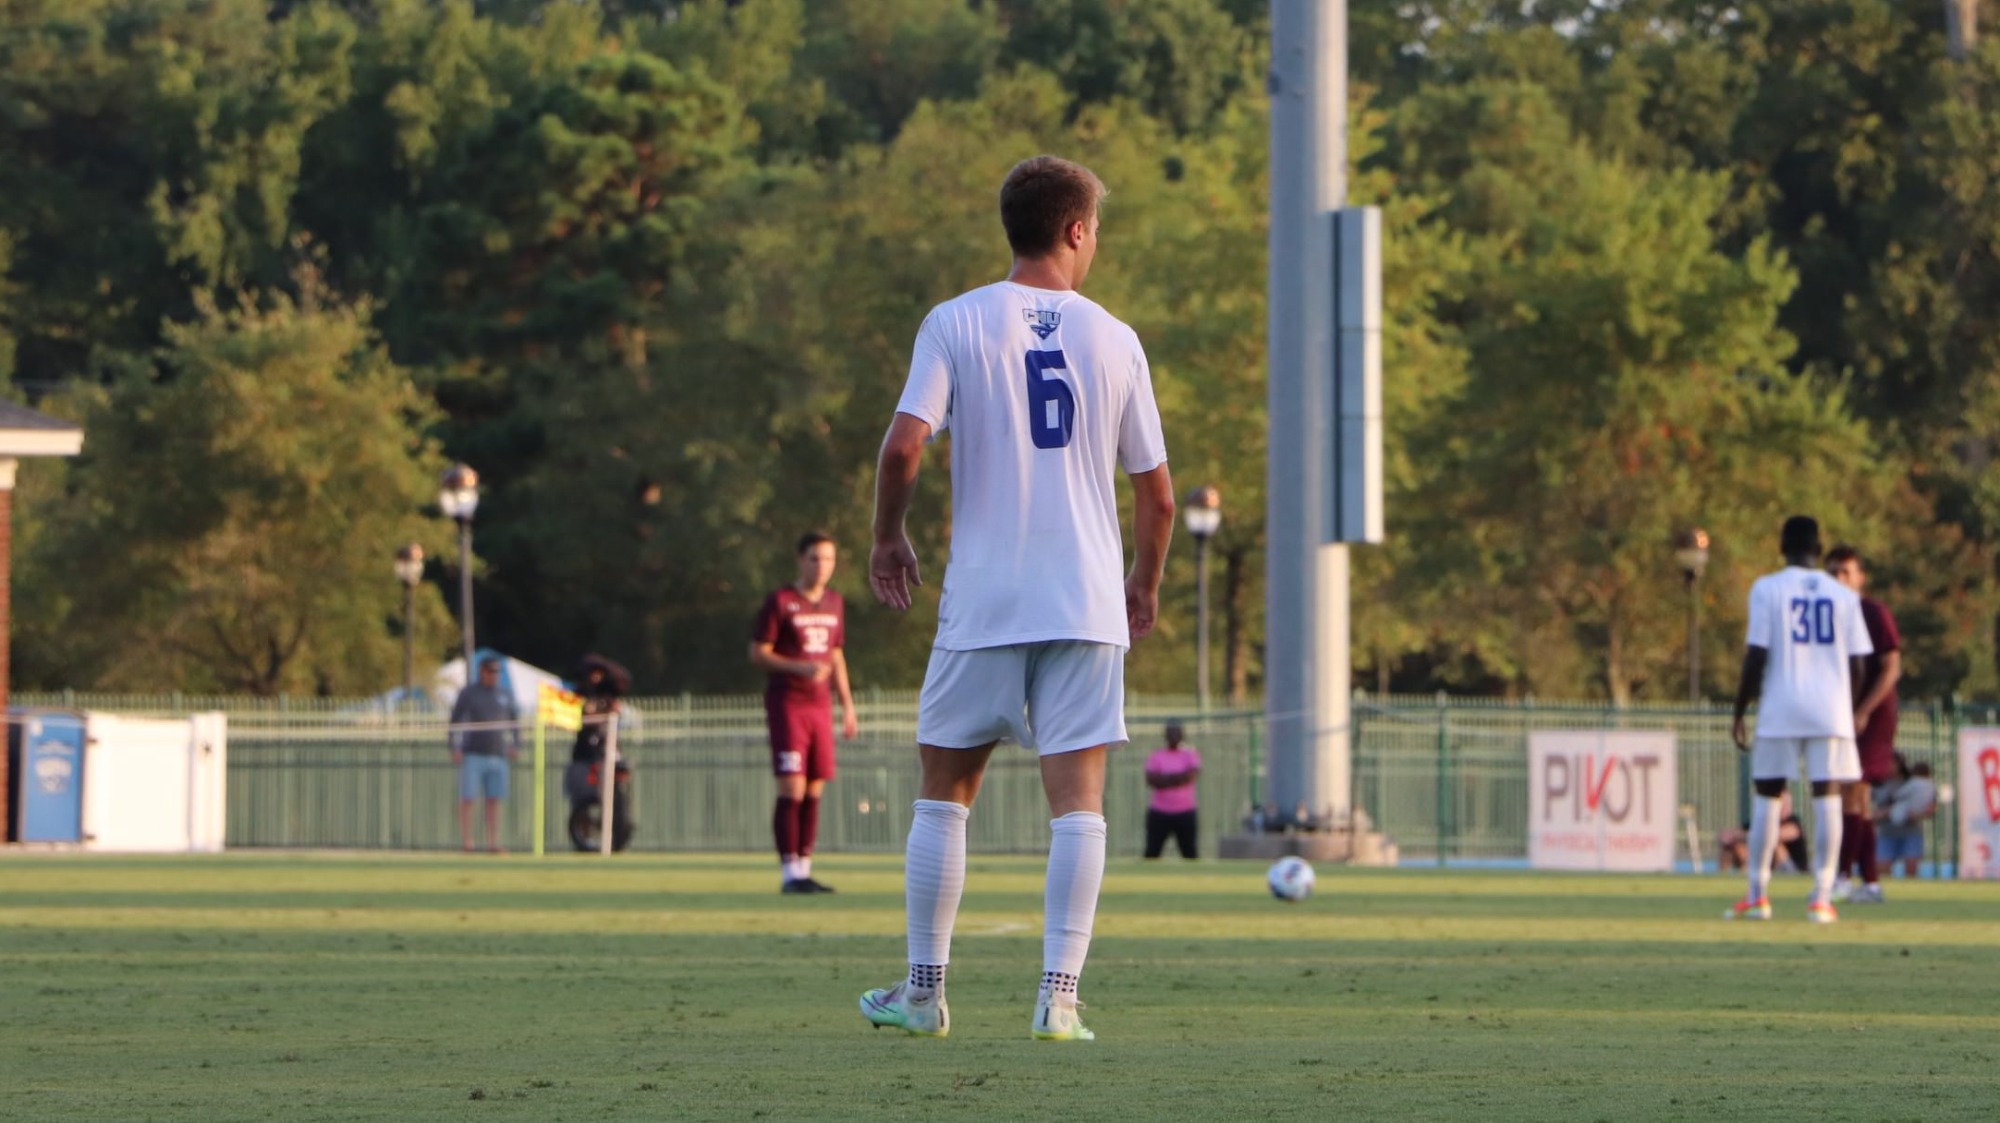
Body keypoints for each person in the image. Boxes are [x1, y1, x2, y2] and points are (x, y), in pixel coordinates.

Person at [859, 155, 1174, 1042]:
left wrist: (889, 534)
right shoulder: (1115, 337)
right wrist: (1141, 585)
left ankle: (924, 993)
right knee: (1080, 802)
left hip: (987, 597)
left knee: (942, 795)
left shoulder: (955, 321)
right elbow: (1158, 494)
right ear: (1077, 230)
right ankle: (1059, 998)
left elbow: (901, 447)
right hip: (1083, 600)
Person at [1727, 515, 1873, 923]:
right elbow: (1861, 662)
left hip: (1781, 705)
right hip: (1830, 710)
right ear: (1820, 547)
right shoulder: (1843, 596)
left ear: (1781, 546)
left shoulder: (1768, 588)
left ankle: (1758, 895)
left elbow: (1756, 654)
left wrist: (1741, 709)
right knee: (1826, 798)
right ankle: (1822, 897)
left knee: (1768, 799)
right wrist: (1850, 705)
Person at [751, 532, 859, 894]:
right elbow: (758, 652)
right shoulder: (781, 601)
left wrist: (848, 706)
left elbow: (838, 656)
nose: (821, 566)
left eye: (828, 559)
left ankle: (805, 868)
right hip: (789, 703)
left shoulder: (834, 603)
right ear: (800, 560)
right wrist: (799, 668)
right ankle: (789, 871)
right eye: (814, 558)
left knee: (815, 787)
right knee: (792, 787)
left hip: (820, 706)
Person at [1826, 545, 1902, 904]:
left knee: (1852, 790)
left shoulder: (1873, 612)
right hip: (1843, 711)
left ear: (1860, 577)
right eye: (1833, 573)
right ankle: (1870, 882)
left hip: (1871, 714)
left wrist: (1865, 710)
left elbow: (1891, 667)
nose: (1839, 579)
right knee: (1858, 798)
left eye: (1845, 572)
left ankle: (1842, 875)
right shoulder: (1828, 614)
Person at [449, 657, 519, 853]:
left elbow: (515, 722)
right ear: (482, 672)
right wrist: (454, 747)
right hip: (473, 754)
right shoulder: (469, 693)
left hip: (498, 754)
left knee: (494, 800)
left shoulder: (505, 694)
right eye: (490, 671)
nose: (493, 675)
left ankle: (493, 843)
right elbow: (455, 720)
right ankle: (468, 842)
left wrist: (516, 744)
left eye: (496, 672)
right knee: (468, 799)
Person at [1143, 723, 1201, 860]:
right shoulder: (1156, 756)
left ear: (1182, 735)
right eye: (1170, 733)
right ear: (1165, 736)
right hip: (1159, 812)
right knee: (1152, 852)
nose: (1174, 736)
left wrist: (1165, 778)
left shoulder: (1190, 755)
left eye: (1177, 733)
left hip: (1185, 812)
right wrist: (1177, 777)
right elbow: (1152, 780)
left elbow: (1190, 777)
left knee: (1189, 852)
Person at [1876, 755, 1937, 879]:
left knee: (1911, 867)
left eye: (1892, 764)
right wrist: (1881, 813)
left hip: (1910, 831)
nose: (1889, 767)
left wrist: (1919, 813)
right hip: (1887, 832)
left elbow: (1931, 806)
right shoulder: (1878, 784)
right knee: (1882, 868)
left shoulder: (1913, 783)